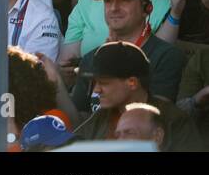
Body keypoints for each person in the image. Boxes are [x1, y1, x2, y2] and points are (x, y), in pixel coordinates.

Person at [66, 40, 199, 148]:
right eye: (94, 83)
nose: (96, 90)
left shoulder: (173, 121)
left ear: (132, 83)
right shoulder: (99, 117)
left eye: (104, 83)